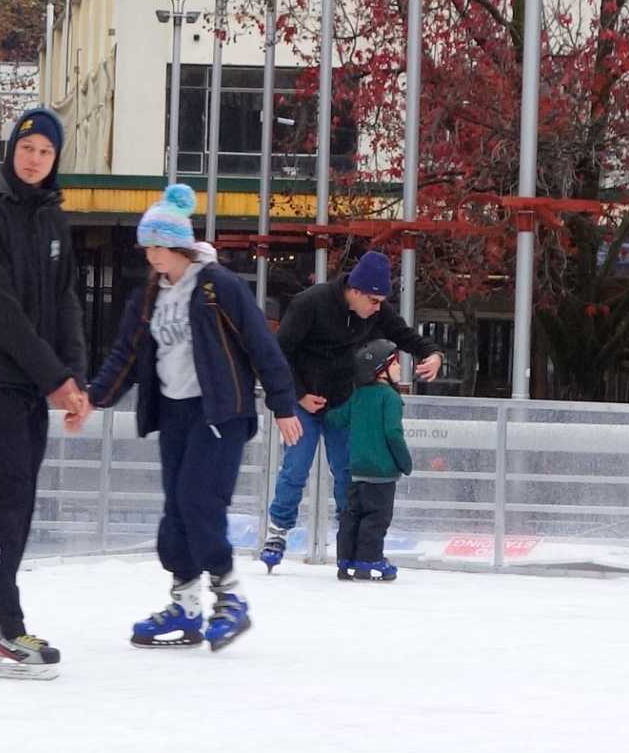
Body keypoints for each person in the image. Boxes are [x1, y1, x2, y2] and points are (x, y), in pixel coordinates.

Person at [84, 185, 302, 653]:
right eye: (148, 249)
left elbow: (260, 344)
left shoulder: (215, 285)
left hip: (220, 409)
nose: (152, 257)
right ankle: (185, 604)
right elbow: (126, 352)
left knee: (198, 500)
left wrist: (283, 405)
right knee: (175, 510)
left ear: (178, 245)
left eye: (158, 247)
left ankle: (230, 597)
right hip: (175, 411)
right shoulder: (149, 295)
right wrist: (93, 398)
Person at [0, 105, 91, 679]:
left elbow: (66, 300)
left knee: (18, 503)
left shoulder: (52, 218)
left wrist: (73, 375)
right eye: (28, 149)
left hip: (29, 385)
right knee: (2, 505)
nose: (35, 160)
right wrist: (52, 376)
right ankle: (3, 622)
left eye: (46, 152)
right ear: (12, 150)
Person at [259, 249, 445, 570]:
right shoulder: (309, 304)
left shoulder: (373, 310)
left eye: (380, 303)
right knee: (295, 468)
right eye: (373, 301)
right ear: (355, 291)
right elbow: (278, 355)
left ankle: (351, 537)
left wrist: (432, 353)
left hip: (344, 402)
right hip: (304, 400)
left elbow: (402, 333)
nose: (377, 309)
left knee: (346, 472)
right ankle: (277, 531)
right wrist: (298, 396)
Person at [333, 337, 416, 582]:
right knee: (376, 519)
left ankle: (345, 560)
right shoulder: (390, 398)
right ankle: (369, 561)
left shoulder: (358, 396)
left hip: (356, 470)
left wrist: (319, 408)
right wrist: (405, 463)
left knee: (352, 516)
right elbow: (393, 433)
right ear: (380, 370)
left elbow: (336, 419)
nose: (400, 368)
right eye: (395, 363)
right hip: (382, 473)